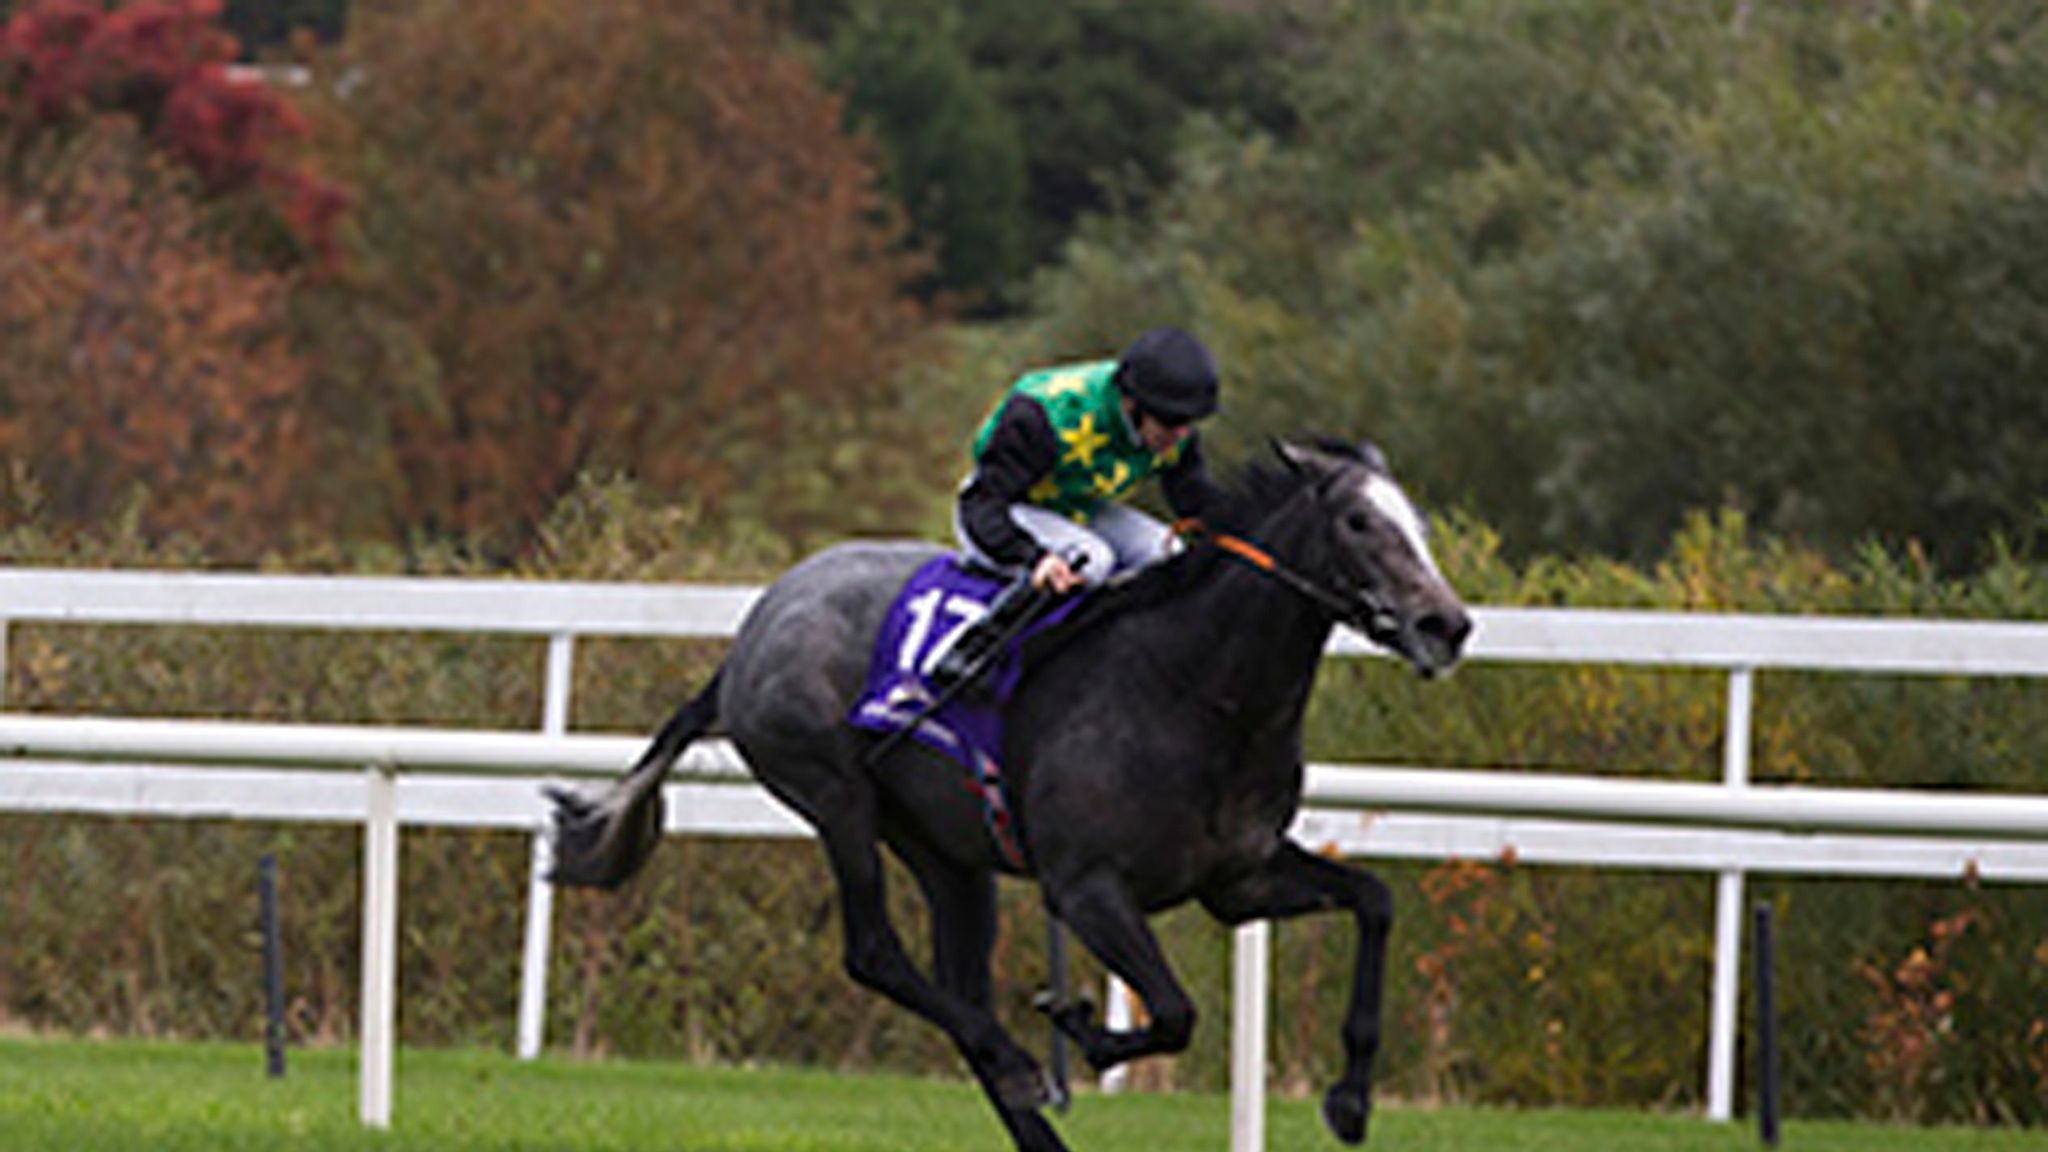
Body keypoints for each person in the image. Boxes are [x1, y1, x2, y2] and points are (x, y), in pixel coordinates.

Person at [929, 326, 1225, 690]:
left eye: (1188, 422)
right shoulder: (1043, 417)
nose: (1181, 434)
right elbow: (982, 505)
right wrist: (1033, 558)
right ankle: (975, 650)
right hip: (1000, 513)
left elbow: (1195, 502)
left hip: (1073, 509)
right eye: (1171, 422)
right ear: (1132, 404)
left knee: (1167, 552)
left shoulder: (1172, 427)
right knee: (1091, 558)